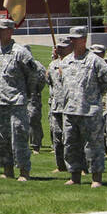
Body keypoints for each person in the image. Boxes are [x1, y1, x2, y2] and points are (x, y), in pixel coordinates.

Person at [57, 26, 107, 187]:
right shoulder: (66, 61)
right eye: (71, 39)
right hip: (70, 110)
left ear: (84, 40)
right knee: (70, 145)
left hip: (89, 111)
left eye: (75, 39)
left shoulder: (94, 60)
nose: (72, 42)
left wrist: (94, 96)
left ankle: (96, 177)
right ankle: (74, 176)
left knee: (93, 145)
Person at [0, 18, 39, 182]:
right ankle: (7, 169)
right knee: (1, 138)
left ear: (10, 31)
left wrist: (27, 93)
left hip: (16, 101)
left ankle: (24, 171)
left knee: (19, 137)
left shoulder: (20, 52)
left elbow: (33, 74)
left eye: (1, 29)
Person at [48, 36, 71, 171]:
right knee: (57, 137)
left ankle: (79, 166)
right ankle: (60, 165)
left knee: (72, 138)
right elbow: (49, 82)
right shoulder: (53, 65)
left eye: (63, 47)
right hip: (57, 107)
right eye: (59, 47)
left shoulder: (74, 63)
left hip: (71, 107)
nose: (60, 49)